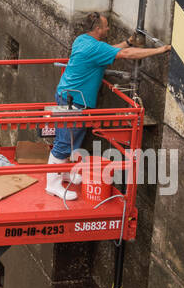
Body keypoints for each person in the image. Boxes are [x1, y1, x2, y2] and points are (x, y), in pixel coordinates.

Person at [46, 12, 171, 201]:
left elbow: (109, 50)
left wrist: (127, 42)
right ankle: (52, 185)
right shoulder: (94, 48)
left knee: (72, 140)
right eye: (106, 26)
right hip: (74, 102)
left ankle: (62, 173)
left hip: (68, 96)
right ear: (98, 29)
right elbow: (125, 55)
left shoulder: (83, 40)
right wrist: (161, 51)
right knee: (64, 142)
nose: (108, 29)